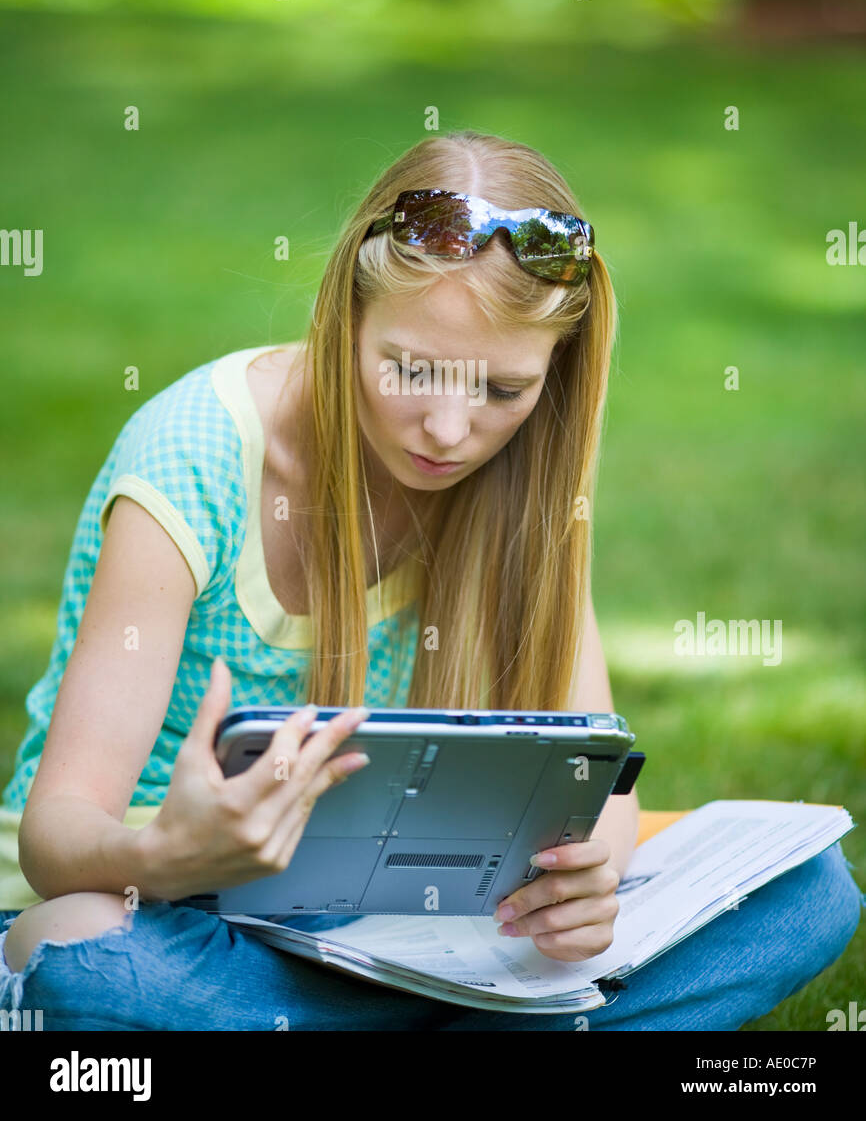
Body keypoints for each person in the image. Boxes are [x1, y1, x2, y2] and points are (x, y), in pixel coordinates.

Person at [0, 130, 861, 1031]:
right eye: (411, 369)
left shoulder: (521, 478)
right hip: (179, 913)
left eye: (501, 390)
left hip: (404, 927)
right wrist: (172, 853)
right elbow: (56, 837)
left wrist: (586, 884)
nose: (450, 431)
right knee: (87, 953)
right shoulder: (192, 458)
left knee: (810, 894)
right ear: (346, 319)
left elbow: (599, 791)